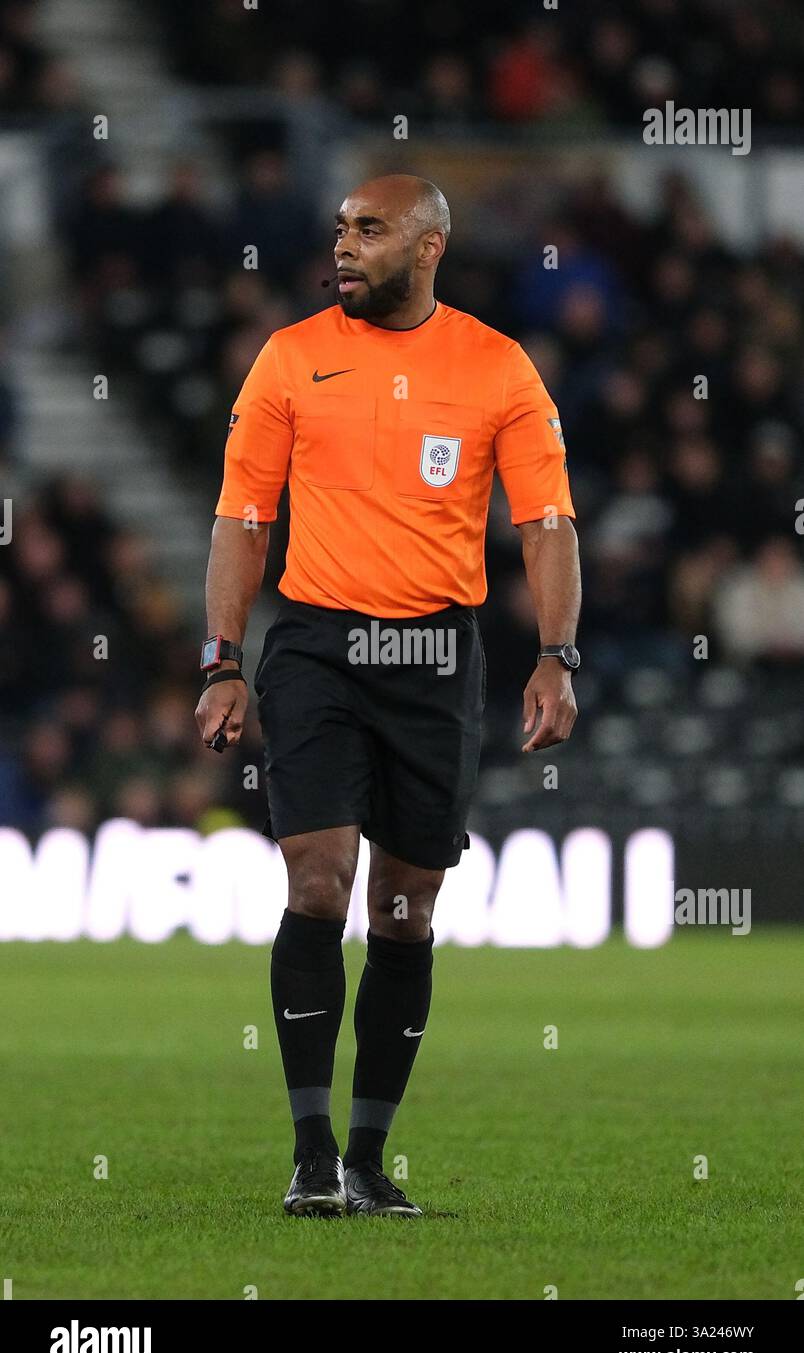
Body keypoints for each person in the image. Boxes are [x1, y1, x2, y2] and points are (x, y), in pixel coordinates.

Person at [195, 174, 581, 1217]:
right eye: (341, 230)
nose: (346, 246)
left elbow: (545, 523)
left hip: (437, 659)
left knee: (403, 912)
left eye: (370, 230)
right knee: (318, 884)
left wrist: (558, 654)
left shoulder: (498, 367)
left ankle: (368, 1154)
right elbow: (242, 518)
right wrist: (221, 659)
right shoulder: (288, 358)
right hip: (315, 646)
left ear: (429, 247)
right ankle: (311, 1151)